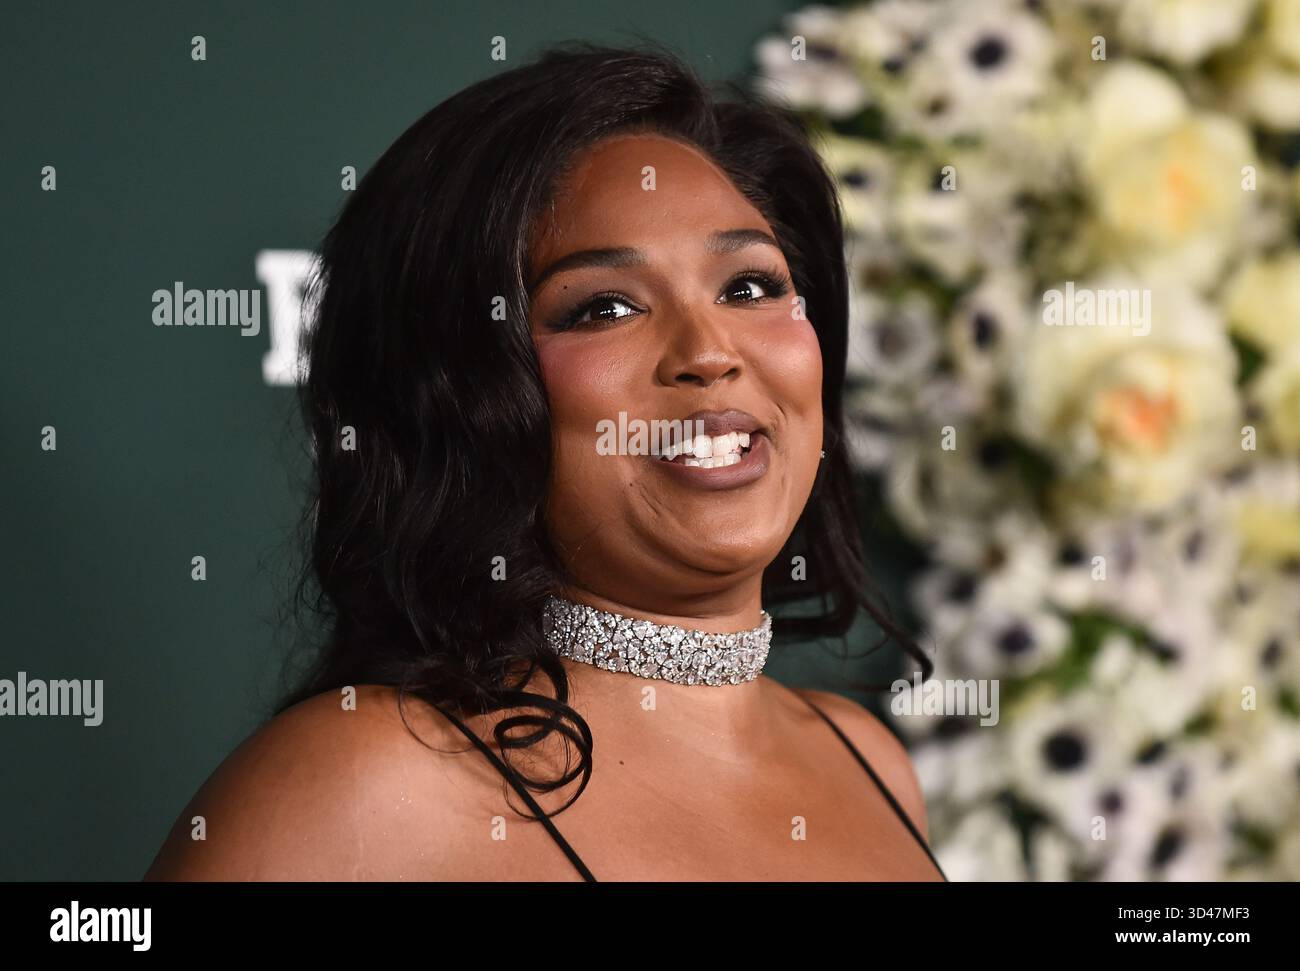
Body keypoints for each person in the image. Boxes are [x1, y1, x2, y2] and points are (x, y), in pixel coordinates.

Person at [144, 41, 946, 882]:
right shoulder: (358, 787)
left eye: (747, 285)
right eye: (604, 306)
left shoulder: (871, 763)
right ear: (461, 402)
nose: (709, 351)